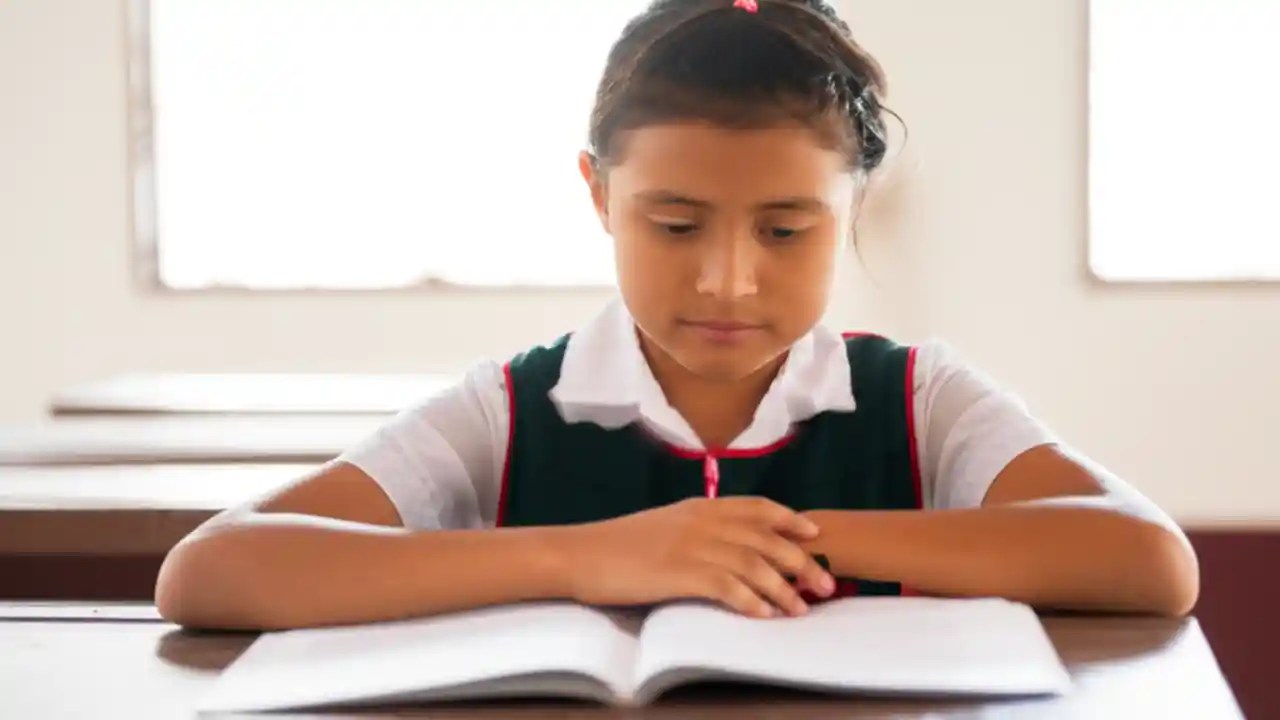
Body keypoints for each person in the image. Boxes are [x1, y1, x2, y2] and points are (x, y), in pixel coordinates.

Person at [155, 0, 1198, 630]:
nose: (726, 282)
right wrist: (592, 554)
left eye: (785, 232)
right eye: (674, 224)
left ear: (852, 208)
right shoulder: (510, 409)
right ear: (600, 195)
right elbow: (212, 570)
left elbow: (1146, 563)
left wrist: (760, 542)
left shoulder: (917, 398)